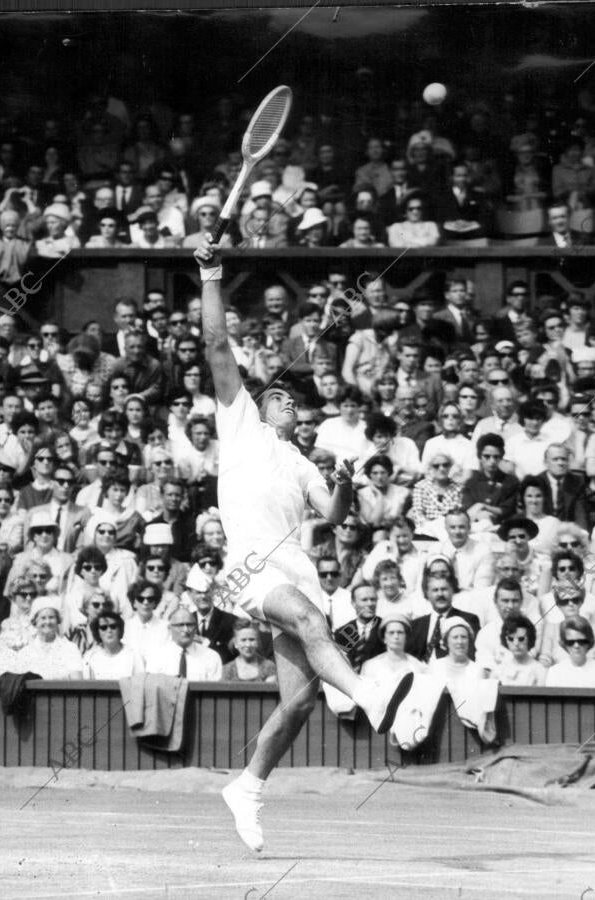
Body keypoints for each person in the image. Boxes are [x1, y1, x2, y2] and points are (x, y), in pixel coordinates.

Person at [194, 234, 418, 853]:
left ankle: (247, 787)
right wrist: (212, 271)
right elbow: (216, 343)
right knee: (312, 620)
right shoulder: (238, 423)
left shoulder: (303, 463)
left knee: (299, 702)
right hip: (250, 569)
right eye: (282, 397)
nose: (292, 402)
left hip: (294, 568)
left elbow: (338, 514)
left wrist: (344, 486)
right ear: (260, 407)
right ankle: (371, 692)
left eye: (294, 401)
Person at [406, 571, 480, 663]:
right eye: (435, 590)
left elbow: (471, 655)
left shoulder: (468, 620)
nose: (440, 594)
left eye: (444, 589)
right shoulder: (416, 625)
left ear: (452, 591)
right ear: (427, 594)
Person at [146, 607, 223, 681]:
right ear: (169, 629)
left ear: (196, 628)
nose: (186, 630)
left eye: (189, 625)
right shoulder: (156, 657)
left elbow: (214, 691)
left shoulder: (211, 657)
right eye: (180, 625)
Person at [15, 598, 85, 679]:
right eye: (43, 618)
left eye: (51, 617)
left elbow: (77, 682)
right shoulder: (25, 653)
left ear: (58, 620)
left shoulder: (70, 649)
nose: (47, 622)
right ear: (35, 621)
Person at [461, 434, 521, 528]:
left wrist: (483, 506)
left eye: (496, 457)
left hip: (502, 527)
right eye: (487, 456)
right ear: (479, 457)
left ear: (501, 457)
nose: (492, 461)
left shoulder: (511, 481)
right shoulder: (471, 483)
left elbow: (507, 510)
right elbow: (468, 509)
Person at [535, 444, 591, 530]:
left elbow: (581, 514)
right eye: (555, 459)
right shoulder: (536, 483)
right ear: (545, 463)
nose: (560, 463)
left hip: (568, 532)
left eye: (564, 459)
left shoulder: (577, 482)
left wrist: (582, 536)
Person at [360, 614, 425, 684]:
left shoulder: (417, 666)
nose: (396, 636)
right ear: (384, 638)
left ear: (406, 637)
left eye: (400, 632)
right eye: (391, 633)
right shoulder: (370, 666)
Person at [546, 616, 595, 687]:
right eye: (570, 642)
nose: (576, 646)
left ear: (589, 642)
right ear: (564, 644)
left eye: (581, 641)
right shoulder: (555, 673)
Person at [83, 609, 144, 680]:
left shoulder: (133, 655)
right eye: (103, 627)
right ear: (97, 632)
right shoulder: (90, 657)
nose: (109, 630)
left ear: (120, 630)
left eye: (113, 626)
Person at [490, 615, 547, 686]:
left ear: (530, 639)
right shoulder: (499, 670)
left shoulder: (539, 670)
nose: (516, 643)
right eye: (511, 639)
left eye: (521, 639)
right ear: (506, 640)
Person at [356, 455, 410, 527]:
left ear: (389, 473)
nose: (379, 477)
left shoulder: (402, 492)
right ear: (369, 475)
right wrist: (379, 497)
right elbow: (374, 523)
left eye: (383, 472)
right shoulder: (362, 494)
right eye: (375, 473)